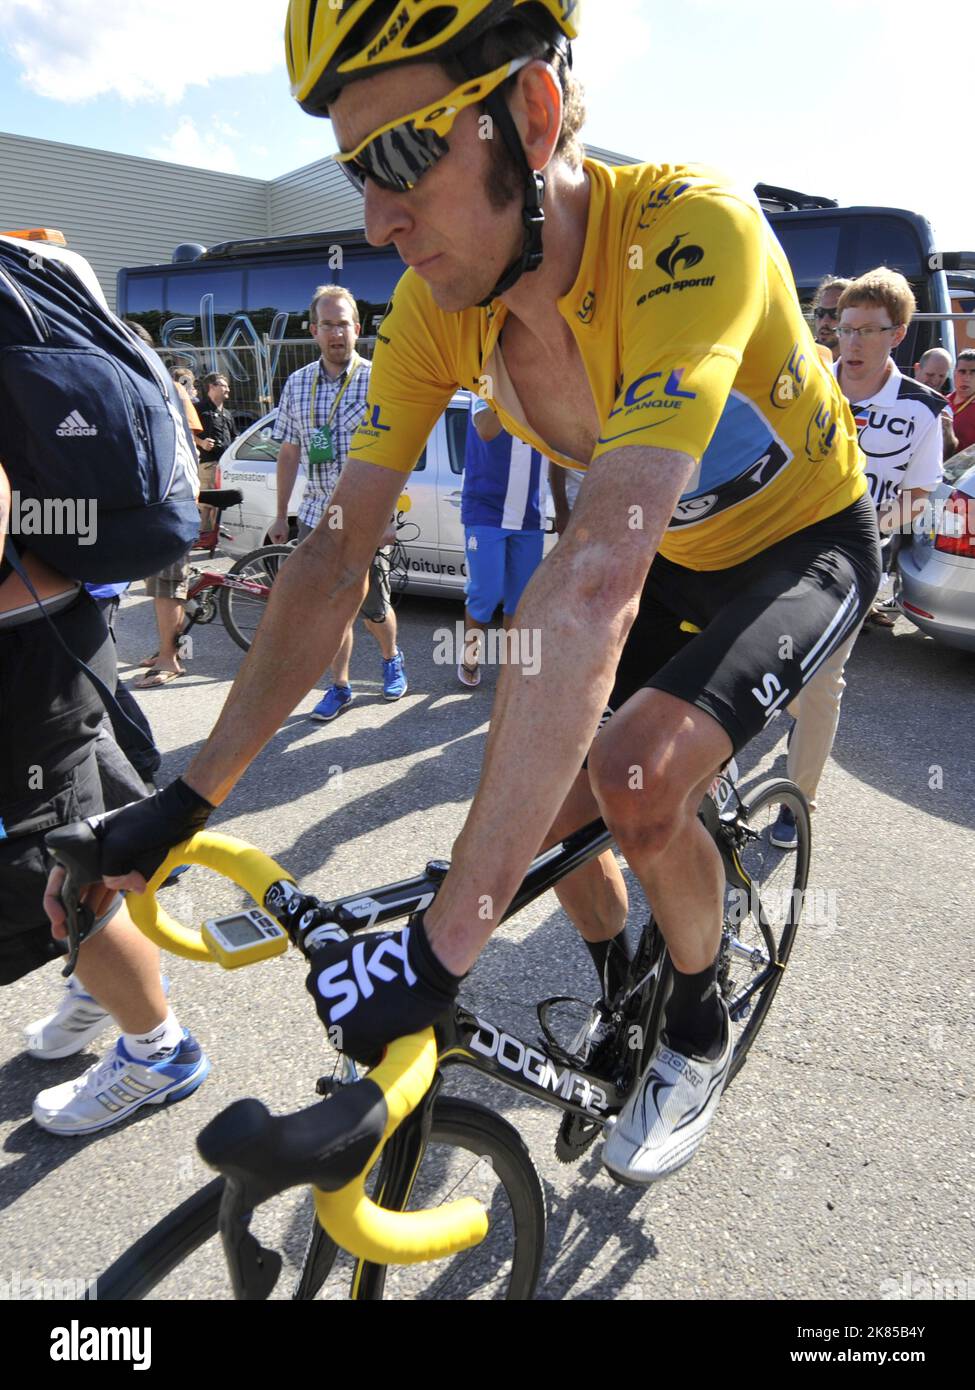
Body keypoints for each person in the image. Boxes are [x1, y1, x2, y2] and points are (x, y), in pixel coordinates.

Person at [52, 1, 879, 1186]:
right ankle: (624, 976)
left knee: (634, 781)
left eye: (403, 155)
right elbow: (334, 557)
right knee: (529, 795)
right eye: (358, 172)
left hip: (801, 544)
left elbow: (596, 575)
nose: (377, 220)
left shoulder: (690, 232)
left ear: (531, 115)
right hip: (666, 550)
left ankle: (694, 1027)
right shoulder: (441, 315)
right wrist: (186, 797)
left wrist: (444, 951)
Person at [1, 248, 207, 1135]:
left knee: (44, 868)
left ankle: (159, 1051)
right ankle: (100, 992)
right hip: (55, 632)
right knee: (84, 839)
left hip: (25, 653)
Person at [776, 269, 944, 846]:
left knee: (822, 682)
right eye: (844, 328)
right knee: (782, 678)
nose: (851, 342)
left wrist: (870, 527)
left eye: (867, 331)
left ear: (896, 335)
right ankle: (798, 723)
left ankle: (798, 800)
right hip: (780, 548)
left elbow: (918, 496)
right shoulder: (806, 385)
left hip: (854, 559)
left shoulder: (923, 408)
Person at [268, 284, 407, 717]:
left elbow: (398, 452)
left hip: (367, 515)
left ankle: (391, 658)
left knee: (373, 608)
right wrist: (281, 515)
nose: (336, 333)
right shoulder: (297, 384)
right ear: (313, 330)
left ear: (357, 329)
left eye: (343, 324)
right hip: (317, 515)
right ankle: (339, 686)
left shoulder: (380, 379)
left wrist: (388, 517)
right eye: (327, 324)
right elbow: (289, 451)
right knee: (329, 610)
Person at [127, 323, 205, 688]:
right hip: (160, 501)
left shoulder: (166, 389)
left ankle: (170, 659)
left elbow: (187, 444)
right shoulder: (151, 385)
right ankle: (166, 648)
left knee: (167, 585)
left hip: (170, 501)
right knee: (160, 584)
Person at [458, 398, 548, 686]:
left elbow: (557, 455)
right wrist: (515, 388)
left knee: (521, 600)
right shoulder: (487, 382)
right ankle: (470, 654)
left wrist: (561, 505)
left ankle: (510, 668)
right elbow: (487, 429)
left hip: (530, 516)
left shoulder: (547, 388)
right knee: (486, 593)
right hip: (486, 511)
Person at [914, 348, 957, 458]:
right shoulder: (896, 395)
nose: (935, 381)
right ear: (917, 369)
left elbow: (946, 455)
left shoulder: (945, 408)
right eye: (930, 374)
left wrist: (948, 433)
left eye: (941, 376)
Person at [810, 275, 853, 362]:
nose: (824, 322)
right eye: (820, 312)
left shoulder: (867, 362)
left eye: (835, 313)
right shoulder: (802, 355)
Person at [946, 348, 975, 456]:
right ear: (954, 373)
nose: (966, 378)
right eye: (962, 372)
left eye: (973, 373)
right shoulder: (942, 402)